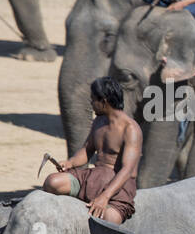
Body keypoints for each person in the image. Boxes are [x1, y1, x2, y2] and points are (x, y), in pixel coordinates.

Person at [42, 77, 142, 224]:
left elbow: (127, 170)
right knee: (53, 182)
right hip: (94, 176)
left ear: (104, 101)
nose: (91, 103)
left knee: (109, 219)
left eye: (93, 99)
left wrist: (105, 196)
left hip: (118, 185)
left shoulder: (131, 129)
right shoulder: (99, 121)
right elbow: (87, 150)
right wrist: (70, 163)